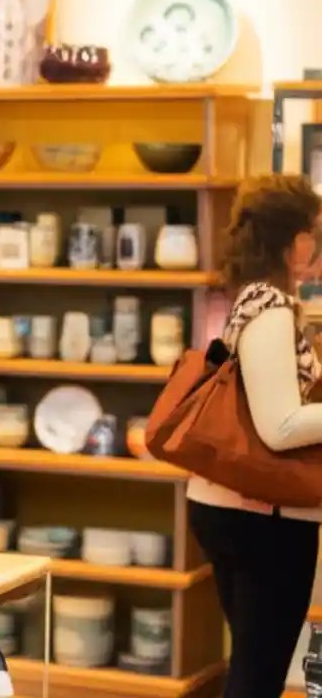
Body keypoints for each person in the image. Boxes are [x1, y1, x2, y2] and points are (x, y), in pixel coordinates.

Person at [188, 174, 322, 697]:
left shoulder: (254, 302)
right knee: (257, 679)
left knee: (252, 667)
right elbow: (279, 425)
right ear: (296, 240)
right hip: (263, 517)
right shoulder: (270, 311)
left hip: (238, 510)